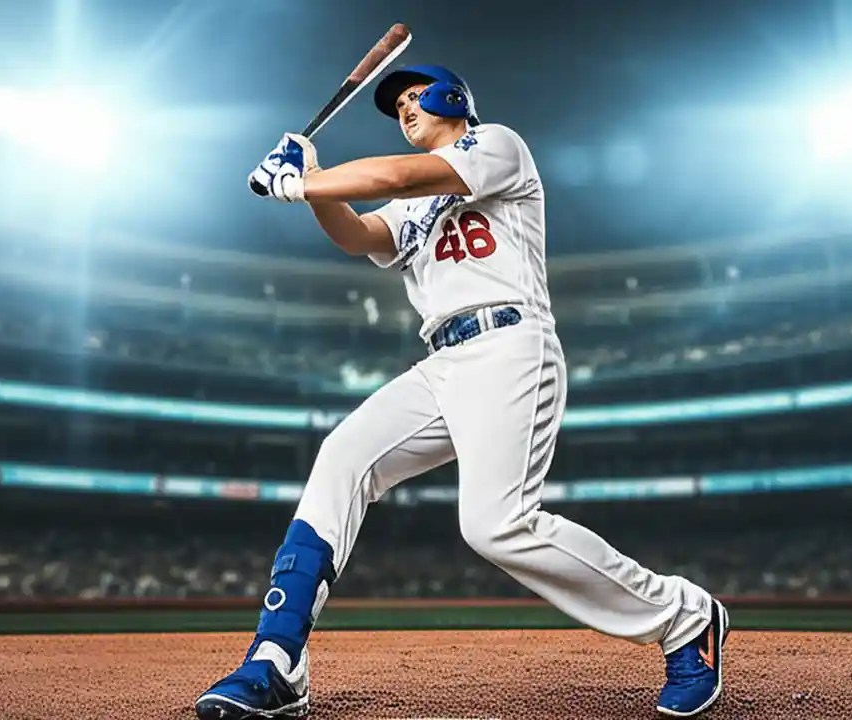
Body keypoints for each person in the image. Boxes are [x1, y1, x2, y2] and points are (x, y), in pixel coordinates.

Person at [195, 64, 729, 719]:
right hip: (443, 361)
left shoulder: (495, 145)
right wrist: (313, 186)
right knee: (343, 457)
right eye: (397, 105)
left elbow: (395, 173)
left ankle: (684, 616)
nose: (405, 109)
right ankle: (278, 660)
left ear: (454, 98)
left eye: (416, 96)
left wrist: (301, 183)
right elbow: (359, 235)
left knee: (495, 525)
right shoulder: (412, 204)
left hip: (510, 343)